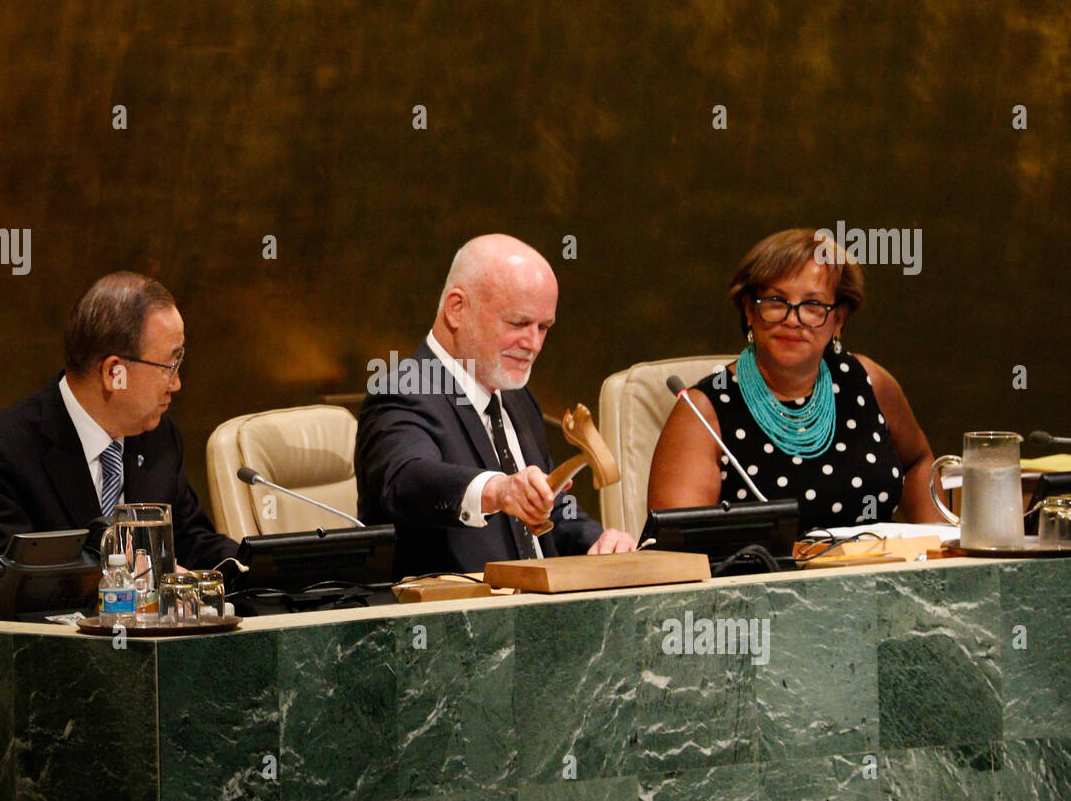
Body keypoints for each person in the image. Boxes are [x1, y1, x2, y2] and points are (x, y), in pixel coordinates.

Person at [356, 234, 636, 578]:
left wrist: (597, 541)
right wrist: (497, 489)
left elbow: (543, 502)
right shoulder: (402, 390)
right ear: (457, 309)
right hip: (448, 622)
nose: (532, 344)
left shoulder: (516, 396)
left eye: (543, 327)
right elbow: (406, 481)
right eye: (518, 323)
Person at [0, 272, 238, 605]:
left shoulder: (159, 439)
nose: (176, 384)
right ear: (113, 373)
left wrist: (250, 566)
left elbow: (193, 542)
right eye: (168, 366)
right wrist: (131, 580)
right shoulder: (0, 451)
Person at [647, 228, 937, 531]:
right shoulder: (704, 413)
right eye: (776, 301)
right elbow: (679, 549)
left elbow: (917, 462)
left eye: (813, 306)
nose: (792, 319)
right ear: (749, 310)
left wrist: (940, 553)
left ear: (838, 319)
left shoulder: (867, 381)